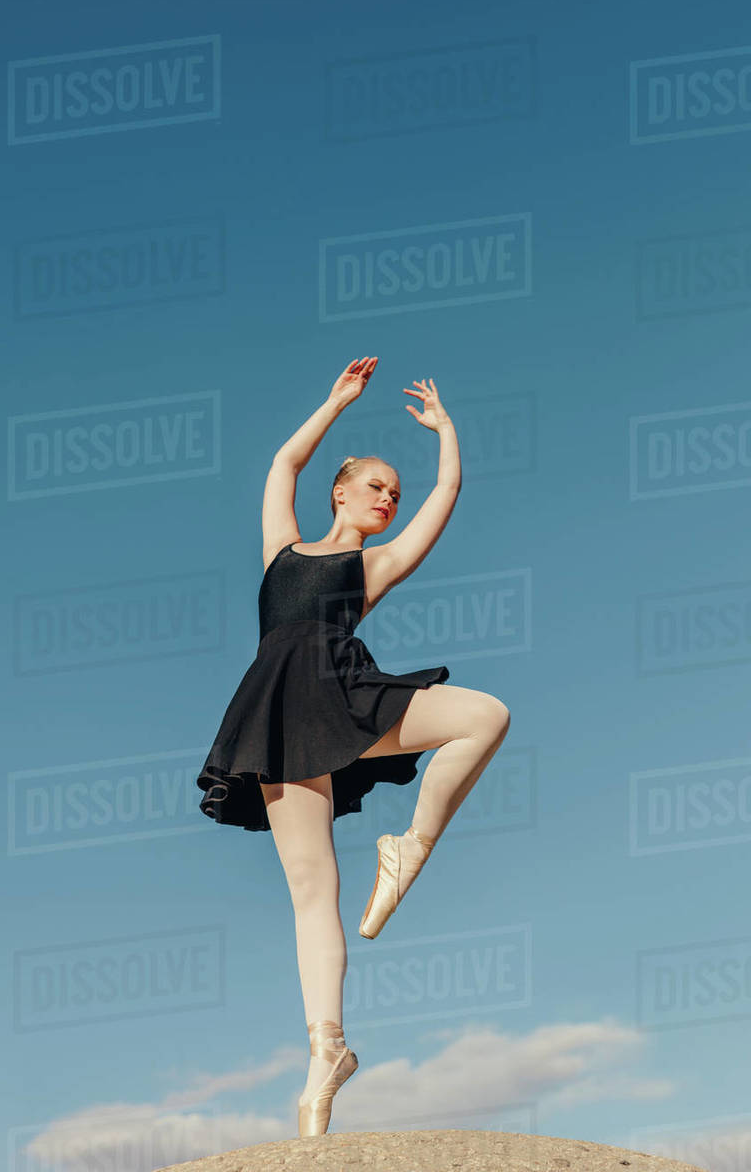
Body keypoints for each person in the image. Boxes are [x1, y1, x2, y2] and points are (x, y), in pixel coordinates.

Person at [195, 357, 512, 1136]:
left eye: (393, 495)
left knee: (485, 715)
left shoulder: (375, 566)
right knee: (312, 894)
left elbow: (445, 496)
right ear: (340, 493)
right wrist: (336, 401)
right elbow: (284, 463)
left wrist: (448, 436)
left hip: (347, 697)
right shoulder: (281, 551)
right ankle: (325, 1054)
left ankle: (411, 848)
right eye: (376, 487)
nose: (388, 498)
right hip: (278, 715)